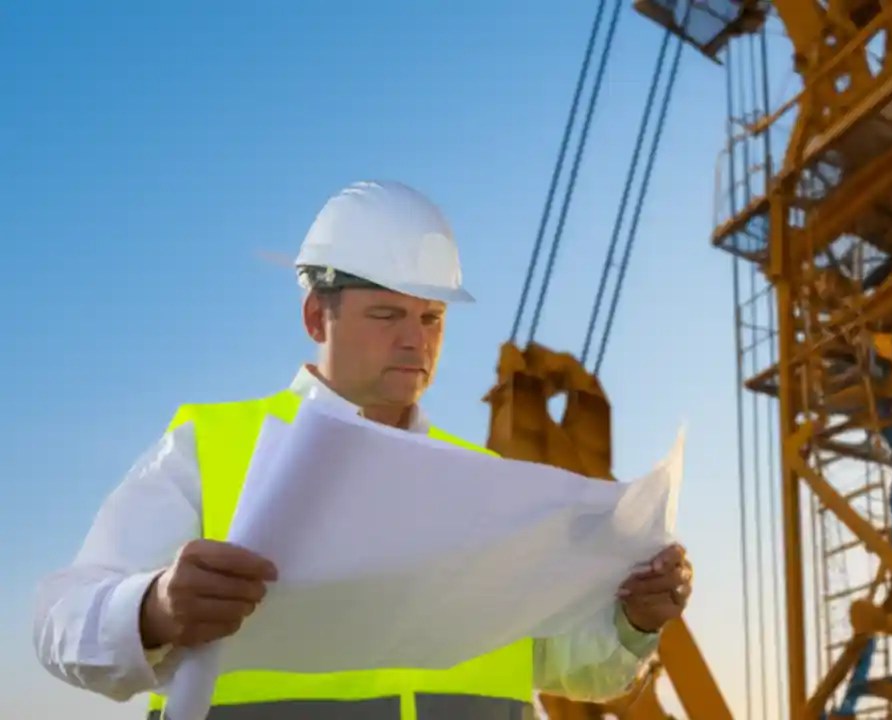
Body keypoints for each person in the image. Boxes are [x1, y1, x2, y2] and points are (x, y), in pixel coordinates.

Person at [32, 179, 694, 719]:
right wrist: (155, 608)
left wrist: (633, 621)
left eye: (431, 318)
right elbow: (59, 622)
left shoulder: (486, 480)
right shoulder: (211, 448)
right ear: (318, 318)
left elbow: (565, 667)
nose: (416, 340)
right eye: (387, 315)